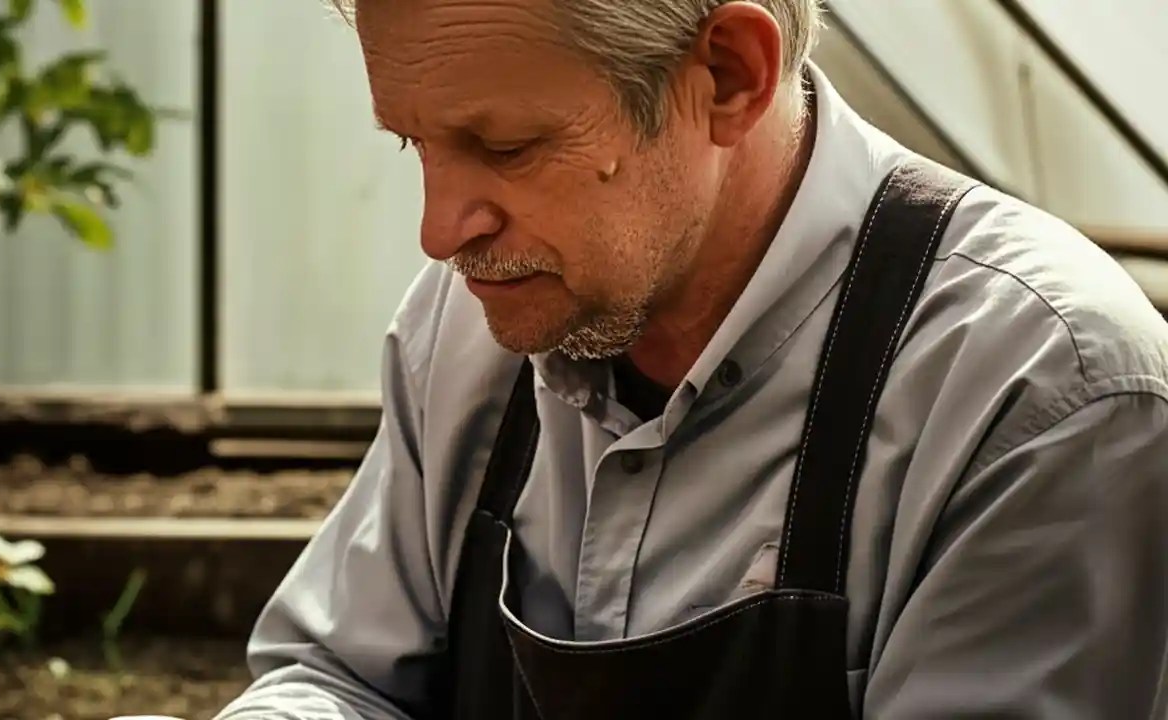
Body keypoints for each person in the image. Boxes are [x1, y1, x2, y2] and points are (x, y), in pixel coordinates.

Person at [214, 0, 1168, 717]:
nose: (439, 230)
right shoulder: (474, 320)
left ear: (727, 75)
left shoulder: (1041, 387)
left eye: (505, 145)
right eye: (414, 141)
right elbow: (338, 670)